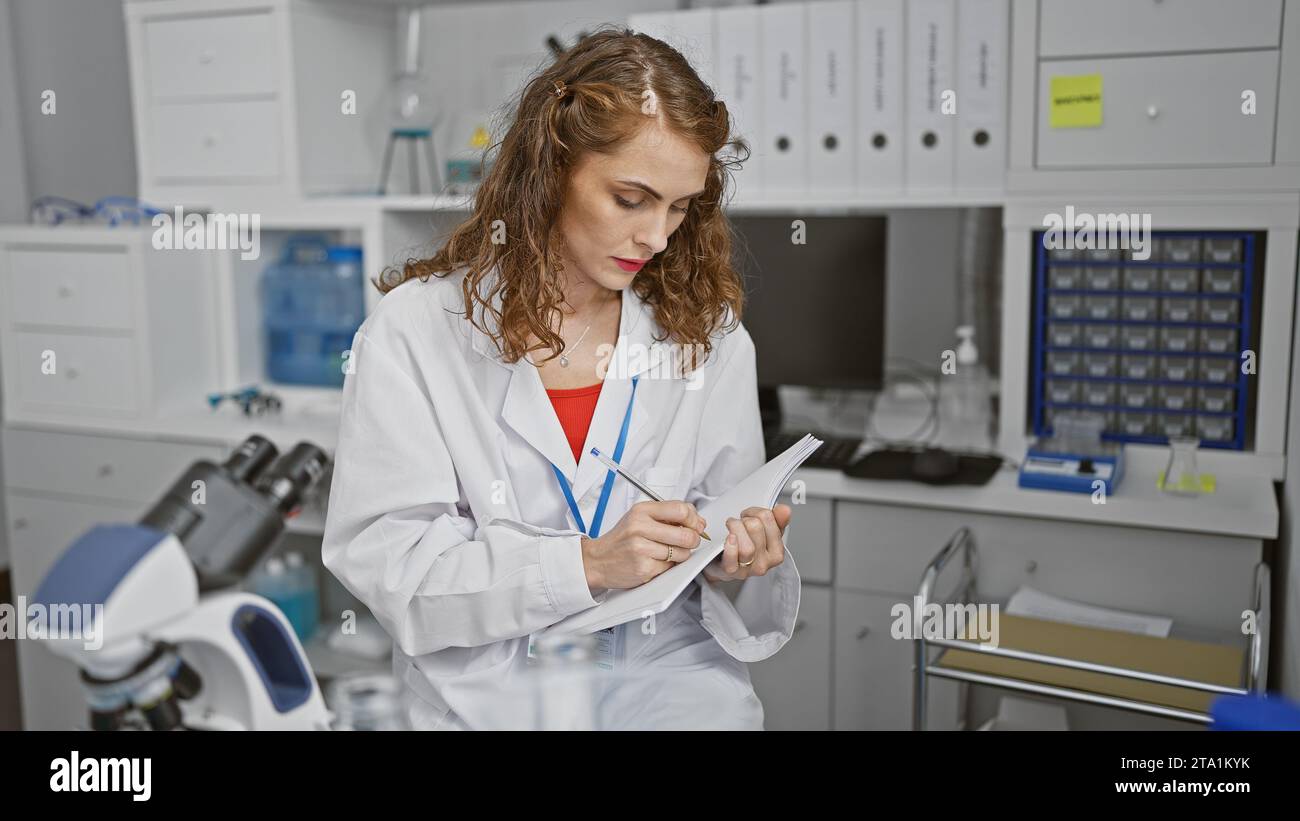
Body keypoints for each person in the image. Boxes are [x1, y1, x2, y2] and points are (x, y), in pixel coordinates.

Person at [322, 26, 799, 730]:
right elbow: (398, 573)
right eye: (631, 199)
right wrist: (586, 565)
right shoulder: (414, 333)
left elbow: (717, 535)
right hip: (485, 700)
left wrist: (735, 558)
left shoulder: (707, 337)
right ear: (552, 170)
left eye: (679, 206)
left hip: (666, 686)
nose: (658, 237)